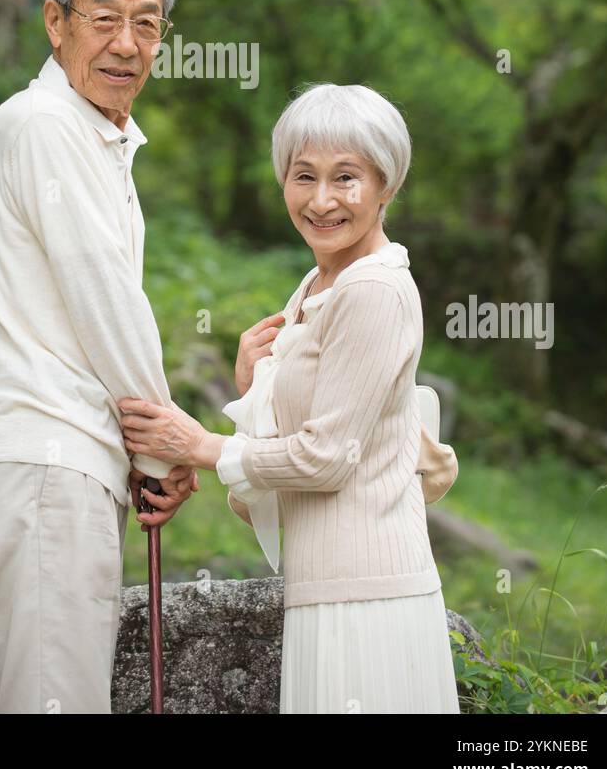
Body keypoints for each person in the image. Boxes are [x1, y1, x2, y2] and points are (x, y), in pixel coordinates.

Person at [120, 82, 461, 714]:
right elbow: (272, 492)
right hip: (324, 590)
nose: (322, 199)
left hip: (369, 600)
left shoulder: (374, 291)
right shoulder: (315, 285)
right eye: (304, 176)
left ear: (387, 185)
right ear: (282, 181)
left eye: (347, 177)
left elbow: (326, 459)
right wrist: (257, 389)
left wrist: (200, 446)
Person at [0, 0, 196, 714]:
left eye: (147, 23)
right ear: (55, 23)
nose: (127, 43)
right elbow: (108, 306)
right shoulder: (44, 125)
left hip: (55, 471)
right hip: (44, 469)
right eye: (104, 17)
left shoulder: (92, 137)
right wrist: (167, 447)